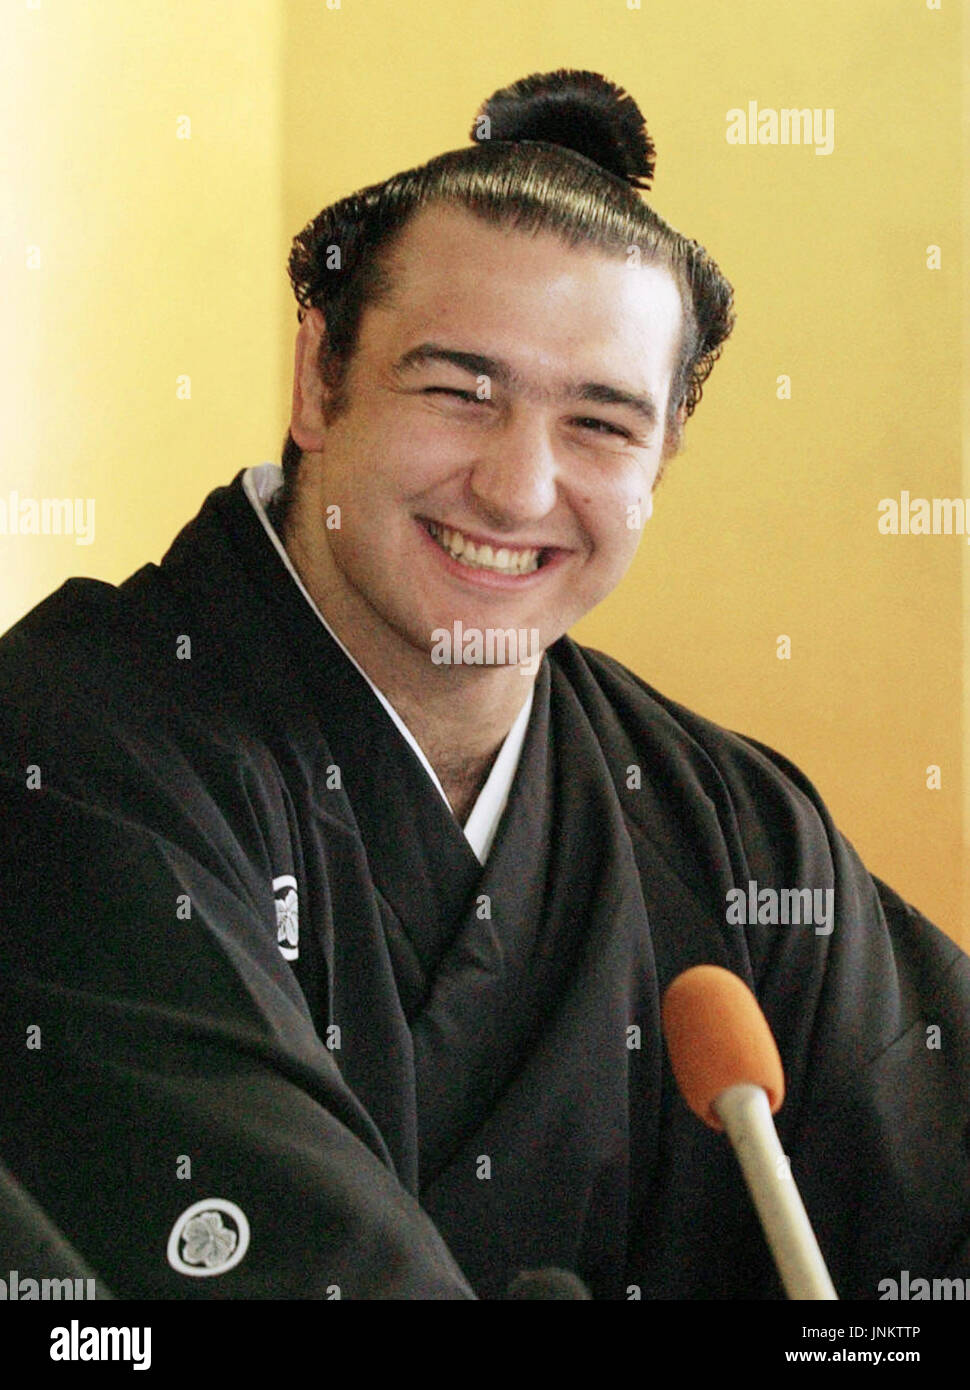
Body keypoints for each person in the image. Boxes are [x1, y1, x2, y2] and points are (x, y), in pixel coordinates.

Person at [0, 69, 967, 1301]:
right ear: (318, 380)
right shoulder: (70, 751)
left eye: (601, 425)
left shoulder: (726, 825)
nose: (517, 490)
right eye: (461, 390)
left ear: (661, 459)